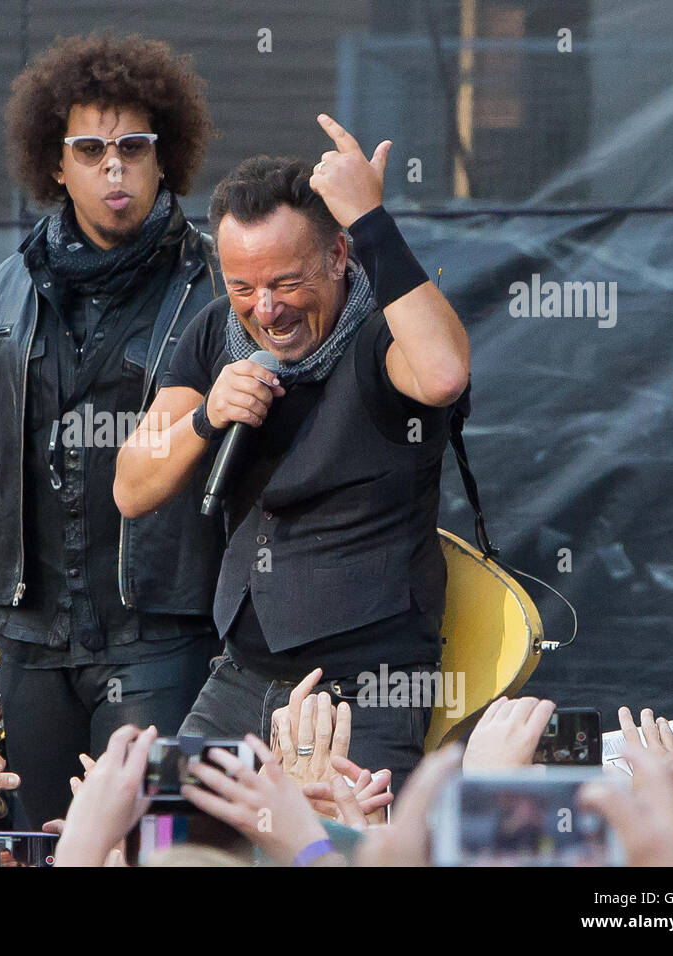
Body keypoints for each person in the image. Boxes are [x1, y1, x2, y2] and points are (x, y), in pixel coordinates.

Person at [114, 116, 471, 786]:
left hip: (367, 692)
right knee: (172, 842)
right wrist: (205, 418)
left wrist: (370, 217)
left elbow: (444, 373)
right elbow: (132, 486)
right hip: (243, 678)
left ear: (339, 257)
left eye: (285, 282)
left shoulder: (380, 337)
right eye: (243, 286)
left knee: (341, 856)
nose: (266, 309)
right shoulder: (215, 336)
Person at [0, 32, 225, 827]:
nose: (115, 166)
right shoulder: (9, 286)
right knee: (43, 837)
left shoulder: (213, 282)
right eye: (92, 147)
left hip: (159, 625)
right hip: (33, 630)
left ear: (164, 157)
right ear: (55, 163)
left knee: (144, 839)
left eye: (134, 146)